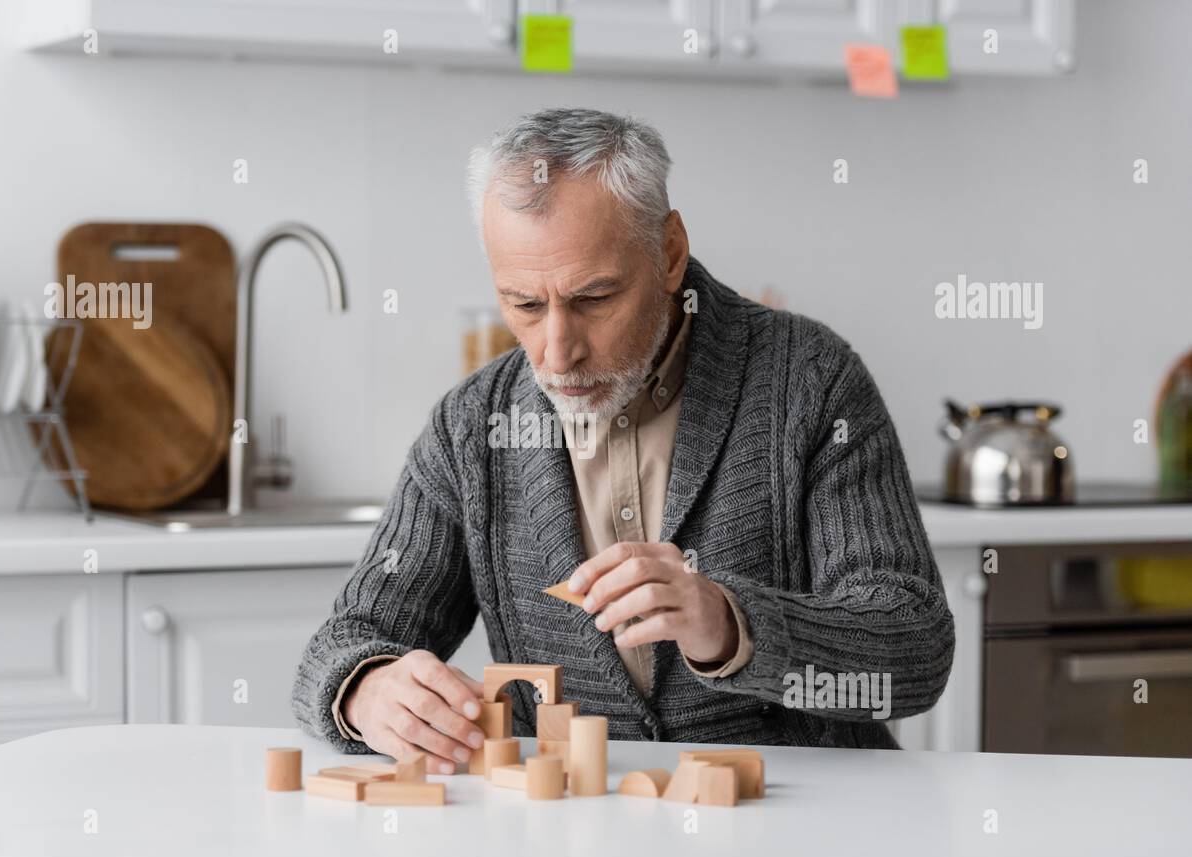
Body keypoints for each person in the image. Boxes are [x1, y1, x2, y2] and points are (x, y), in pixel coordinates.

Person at [292, 107, 954, 771]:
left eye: (594, 298)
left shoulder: (810, 380)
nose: (557, 352)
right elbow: (346, 639)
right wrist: (367, 690)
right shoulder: (470, 427)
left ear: (668, 252)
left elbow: (914, 650)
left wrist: (730, 624)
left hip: (811, 829)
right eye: (524, 304)